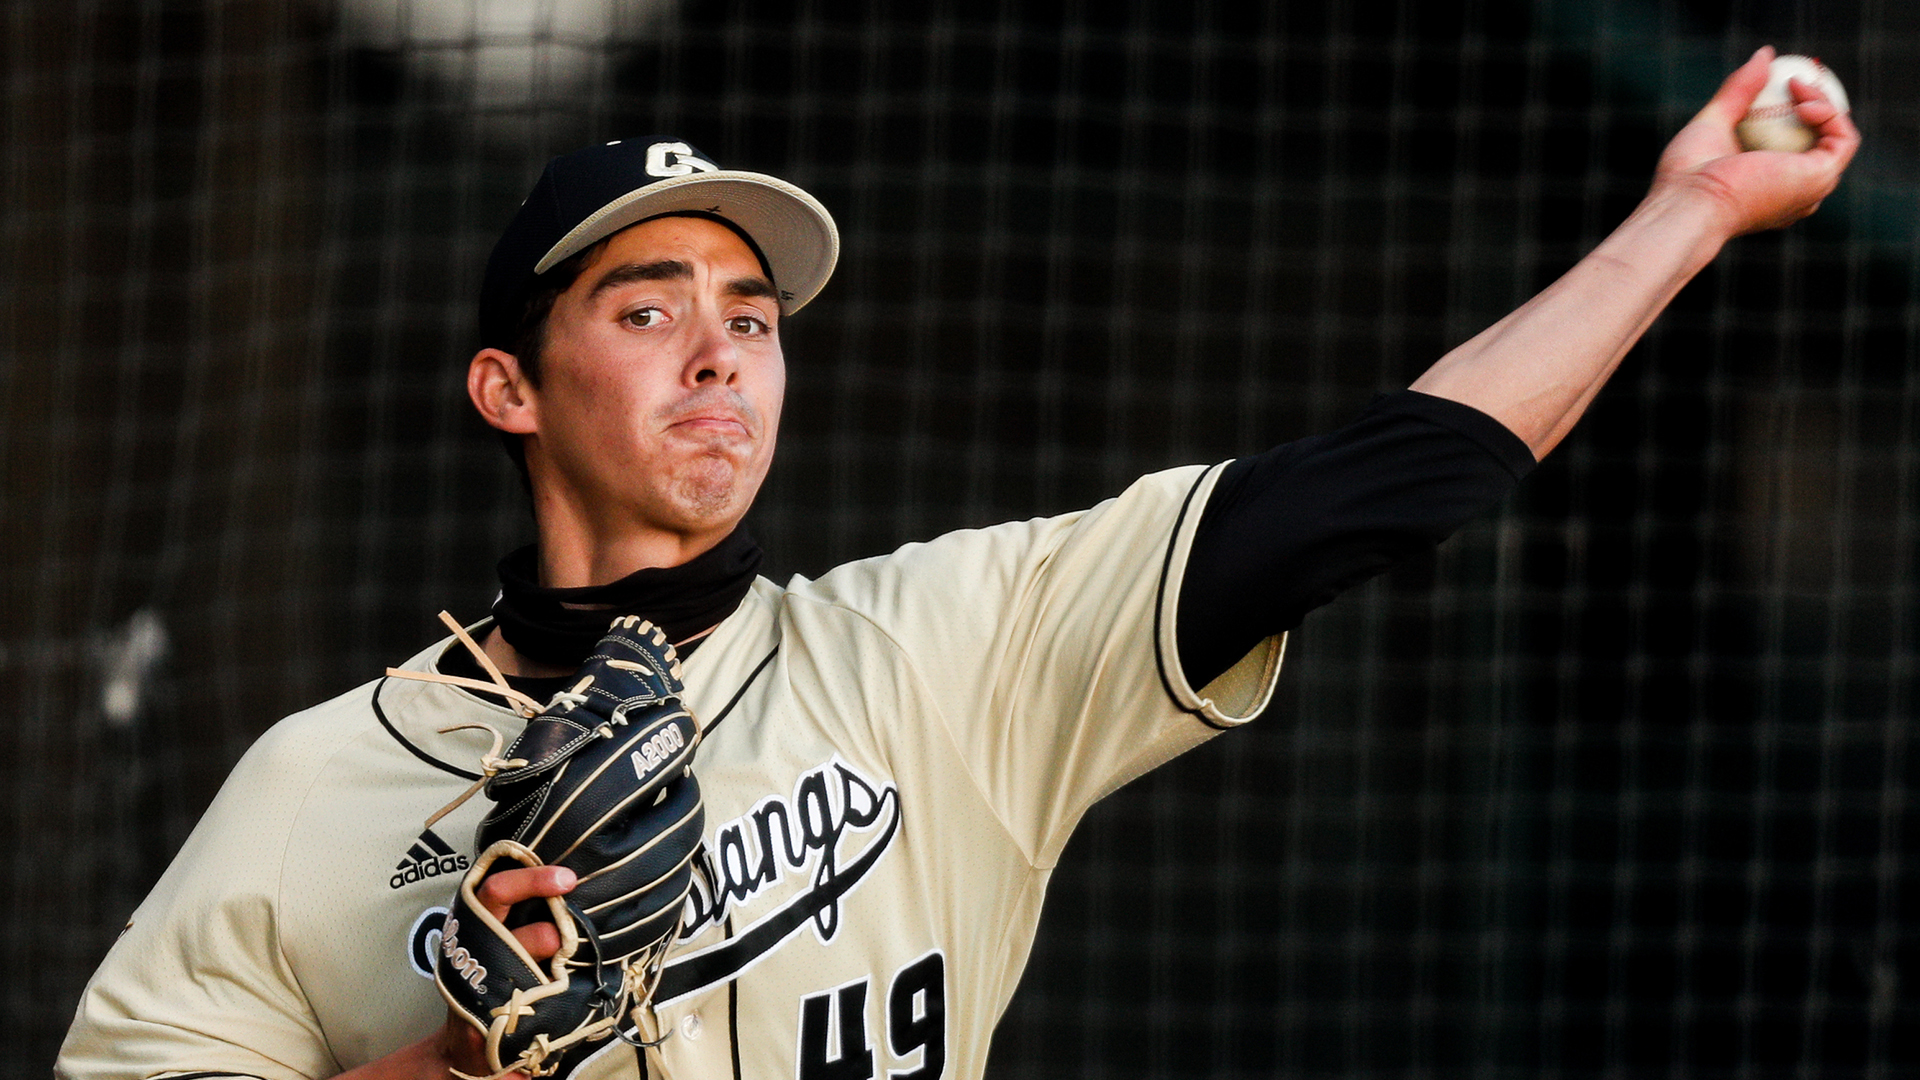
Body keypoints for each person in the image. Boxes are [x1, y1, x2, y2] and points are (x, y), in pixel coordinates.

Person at [57, 48, 1856, 1080]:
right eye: (648, 303)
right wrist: (461, 1064)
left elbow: (1398, 474)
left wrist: (1687, 211)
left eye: (751, 314)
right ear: (508, 386)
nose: (720, 351)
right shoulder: (316, 786)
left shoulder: (945, 645)